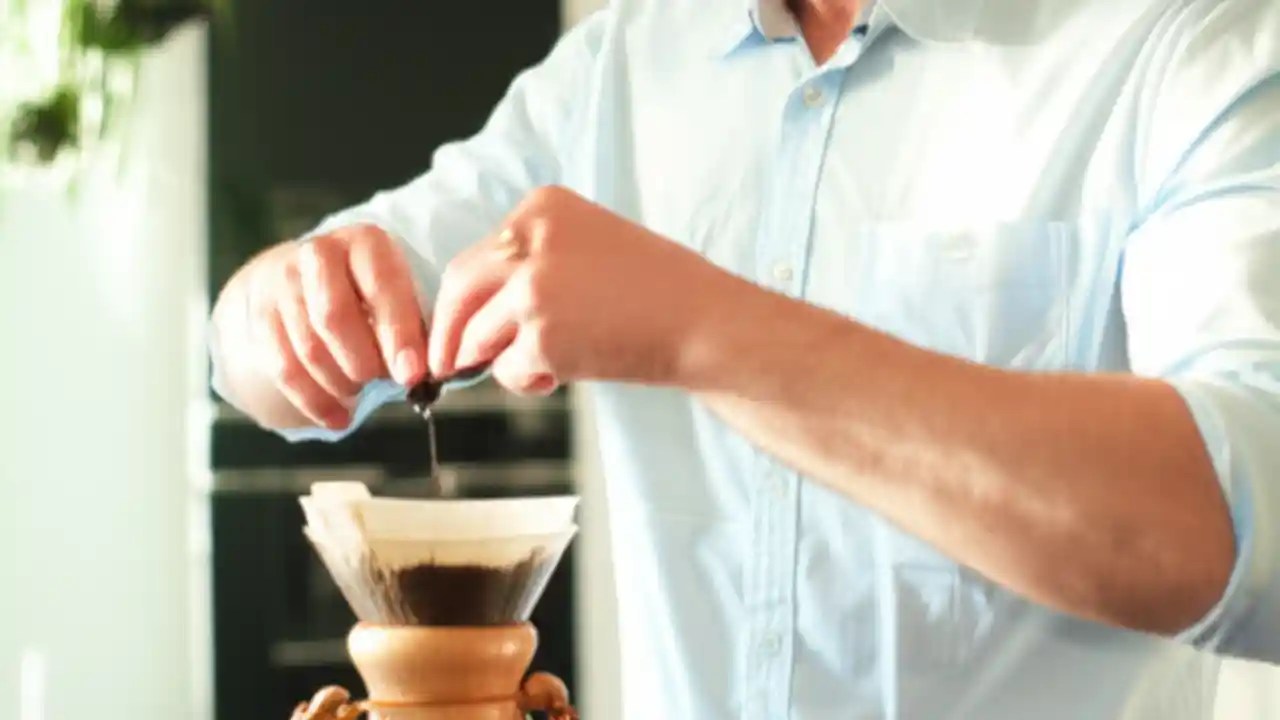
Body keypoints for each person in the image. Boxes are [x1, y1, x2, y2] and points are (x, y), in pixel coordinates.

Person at [208, 0, 1280, 717]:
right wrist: (272, 309)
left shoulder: (1187, 40)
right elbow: (283, 351)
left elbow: (1252, 527)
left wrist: (697, 330)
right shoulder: (624, 60)